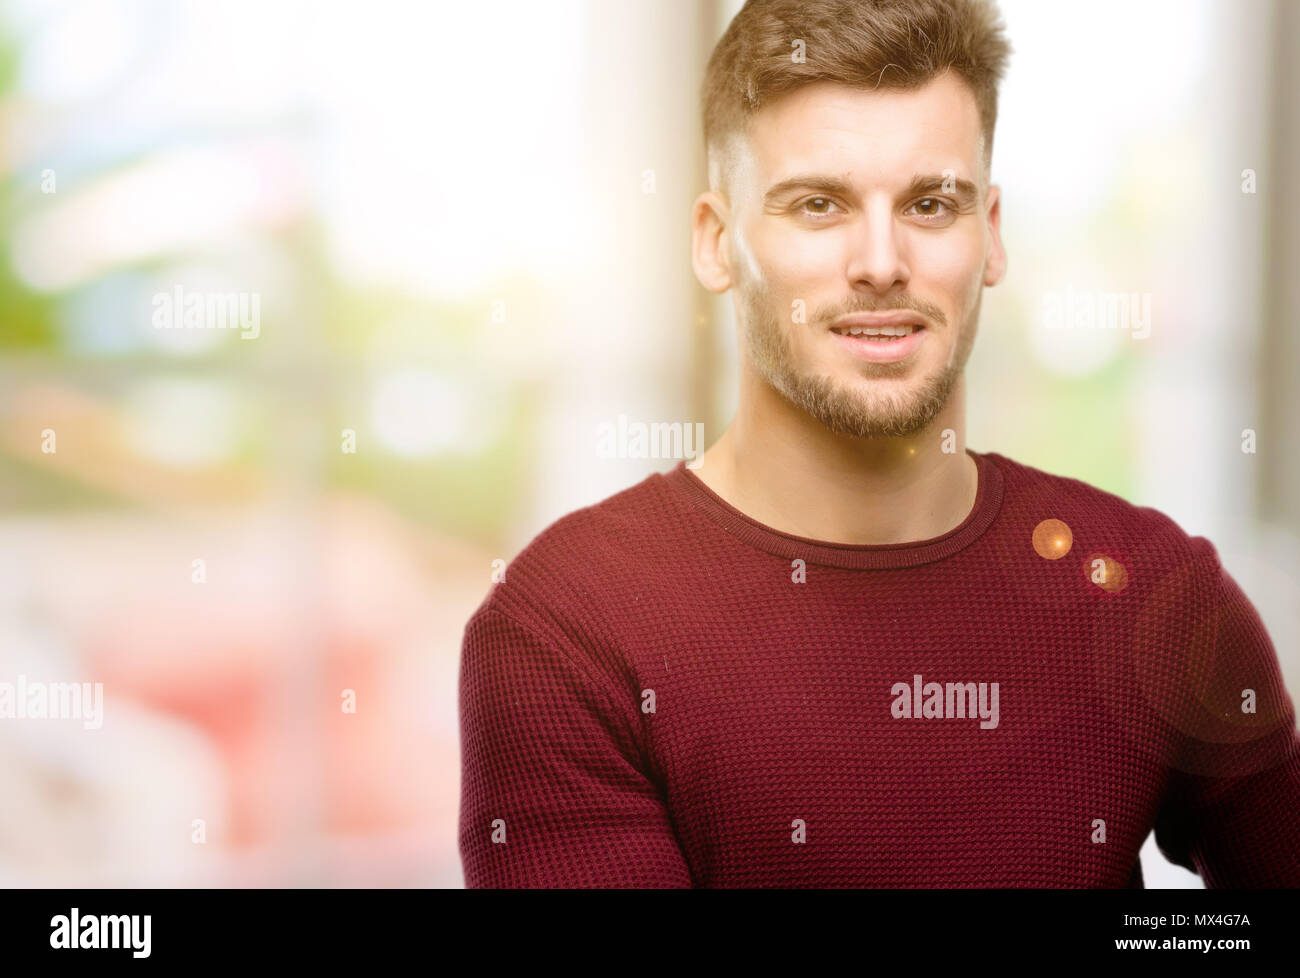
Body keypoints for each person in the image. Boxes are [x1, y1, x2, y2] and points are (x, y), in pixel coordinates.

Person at [458, 0, 1300, 887]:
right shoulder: (564, 631)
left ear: (992, 235)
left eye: (931, 204)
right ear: (715, 242)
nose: (881, 261)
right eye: (818, 205)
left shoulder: (1159, 593)